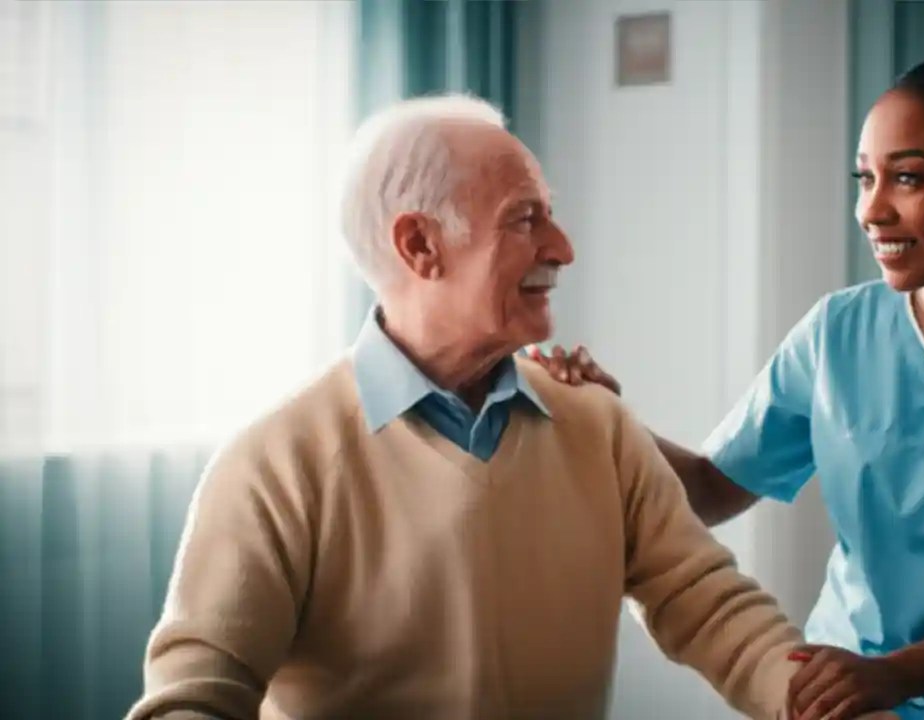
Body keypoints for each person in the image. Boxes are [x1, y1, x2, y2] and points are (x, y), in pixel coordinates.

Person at [126, 95, 814, 720]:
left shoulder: (597, 427)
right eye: (526, 218)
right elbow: (198, 694)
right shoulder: (275, 464)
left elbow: (718, 614)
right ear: (420, 246)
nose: (563, 248)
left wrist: (835, 706)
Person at [529, 39, 924, 720]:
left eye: (907, 178)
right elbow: (707, 489)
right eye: (865, 178)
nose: (872, 211)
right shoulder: (836, 332)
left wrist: (892, 675)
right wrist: (605, 417)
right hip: (844, 696)